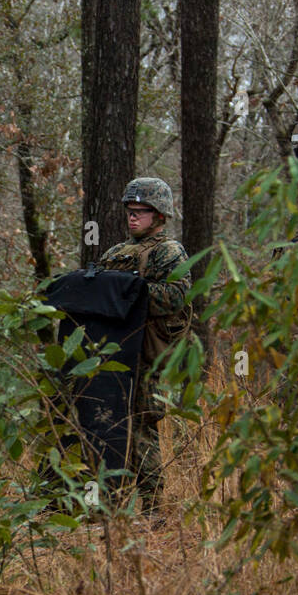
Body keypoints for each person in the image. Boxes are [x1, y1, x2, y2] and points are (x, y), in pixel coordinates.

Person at [92, 177, 192, 499]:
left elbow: (176, 296)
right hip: (114, 353)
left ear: (160, 216)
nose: (133, 217)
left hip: (148, 354)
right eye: (130, 210)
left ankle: (152, 510)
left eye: (142, 211)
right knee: (106, 426)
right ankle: (109, 504)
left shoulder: (170, 252)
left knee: (140, 428)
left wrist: (131, 294)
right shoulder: (117, 252)